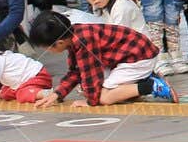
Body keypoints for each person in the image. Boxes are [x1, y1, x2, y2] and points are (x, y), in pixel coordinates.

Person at [30, 9, 177, 107]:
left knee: (104, 98)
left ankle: (152, 85)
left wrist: (91, 102)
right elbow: (76, 72)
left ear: (59, 43)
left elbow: (89, 75)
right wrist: (57, 94)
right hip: (133, 56)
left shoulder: (83, 41)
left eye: (47, 48)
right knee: (101, 91)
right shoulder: (75, 34)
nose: (47, 51)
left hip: (139, 58)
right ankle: (141, 80)